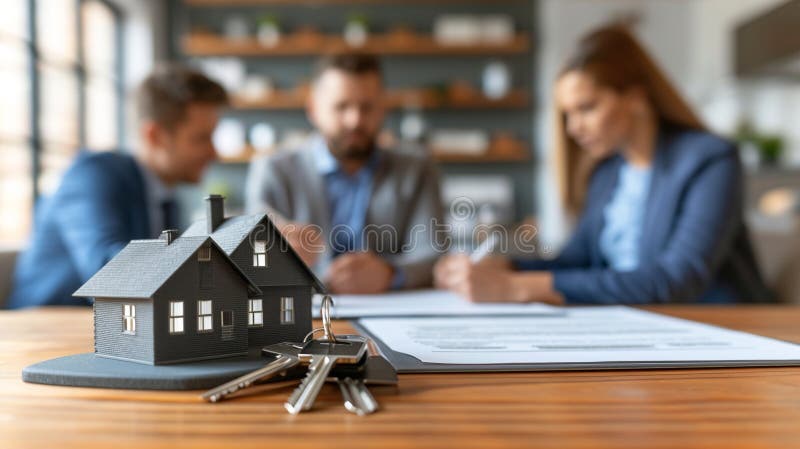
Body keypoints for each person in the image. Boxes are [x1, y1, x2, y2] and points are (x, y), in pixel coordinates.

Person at [434, 25, 771, 304]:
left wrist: (517, 287)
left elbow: (677, 280)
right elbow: (577, 260)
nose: (572, 128)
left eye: (587, 108)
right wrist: (504, 266)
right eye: (568, 114)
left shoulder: (710, 160)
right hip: (634, 323)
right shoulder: (608, 172)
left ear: (636, 98)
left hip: (716, 331)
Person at [8, 65, 227, 308]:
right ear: (154, 136)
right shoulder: (93, 174)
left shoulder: (168, 200)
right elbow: (107, 272)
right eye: (201, 138)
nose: (214, 152)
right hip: (47, 329)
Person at [245, 53, 444, 294]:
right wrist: (273, 252)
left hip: (390, 312)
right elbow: (250, 247)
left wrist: (391, 274)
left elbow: (434, 255)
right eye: (341, 107)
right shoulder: (273, 169)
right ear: (313, 109)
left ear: (383, 109)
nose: (355, 120)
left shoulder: (417, 168)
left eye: (367, 107)